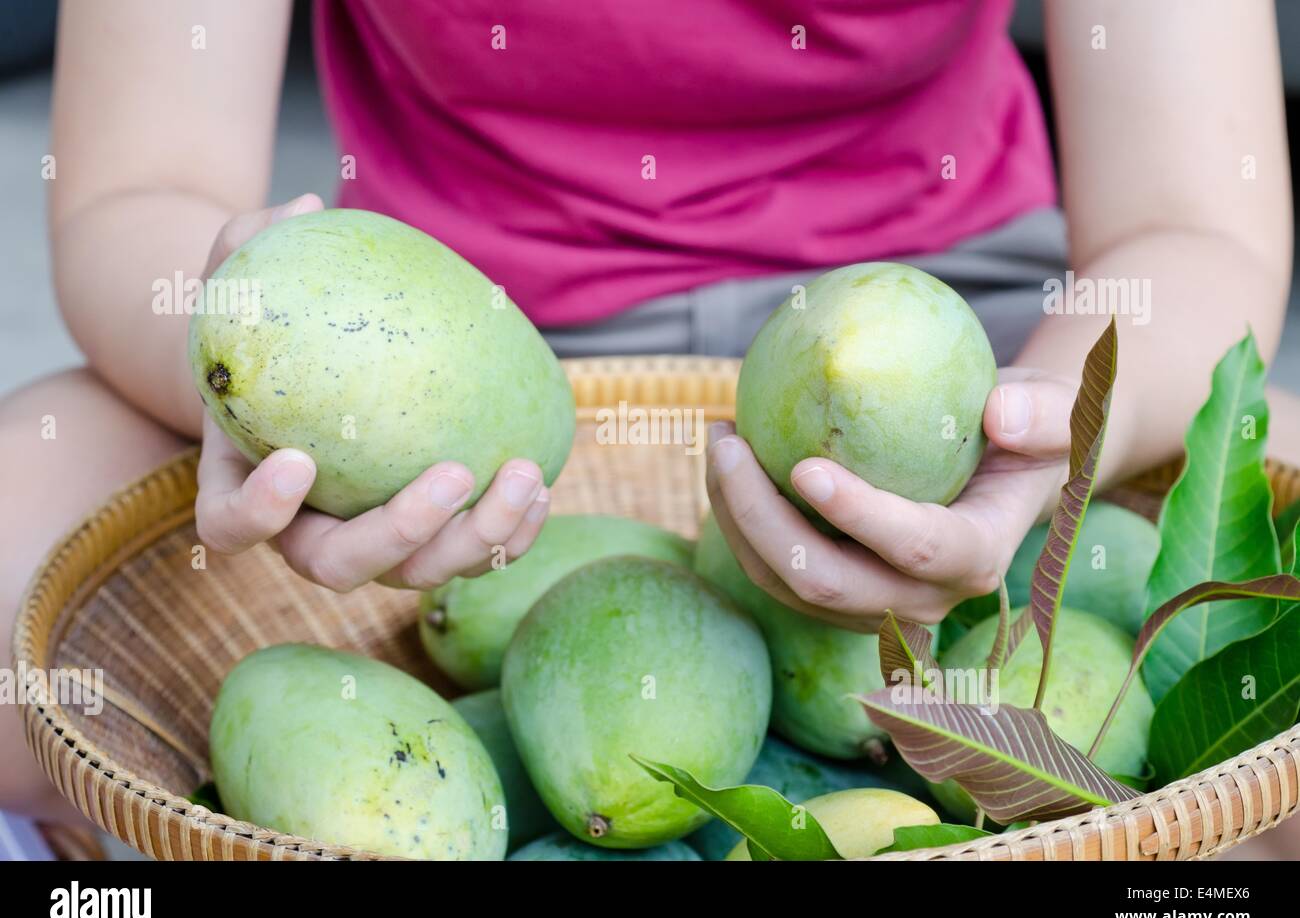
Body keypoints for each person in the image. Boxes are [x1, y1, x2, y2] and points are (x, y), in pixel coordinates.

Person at [1, 0, 1293, 856]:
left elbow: (1195, 223)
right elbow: (136, 192)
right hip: (468, 354)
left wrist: (1040, 432)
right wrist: (254, 349)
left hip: (970, 337)